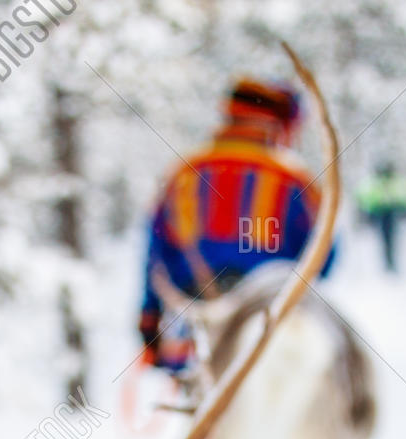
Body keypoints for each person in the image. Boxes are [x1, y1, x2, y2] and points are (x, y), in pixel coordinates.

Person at [138, 77, 336, 371]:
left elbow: (156, 256)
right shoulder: (296, 180)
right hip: (270, 331)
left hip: (197, 332)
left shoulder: (182, 173)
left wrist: (149, 324)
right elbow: (324, 258)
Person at [355, 162, 406, 273]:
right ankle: (387, 264)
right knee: (386, 239)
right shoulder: (375, 182)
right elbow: (365, 198)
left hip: (391, 213)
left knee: (390, 239)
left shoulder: (394, 181)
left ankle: (390, 264)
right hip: (380, 213)